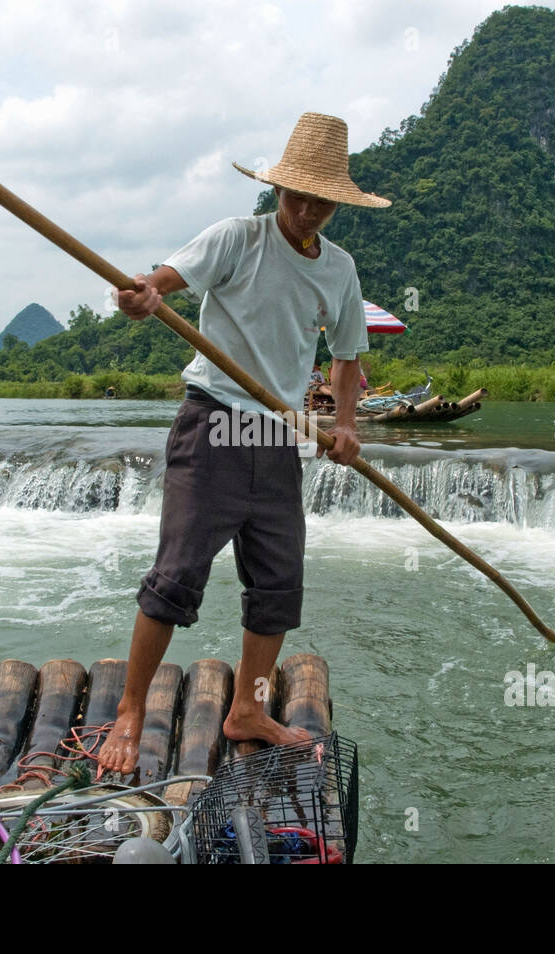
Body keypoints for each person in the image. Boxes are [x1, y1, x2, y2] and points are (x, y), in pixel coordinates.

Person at [95, 112, 390, 778]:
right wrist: (144, 296)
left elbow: (347, 356)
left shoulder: (340, 270)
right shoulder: (239, 239)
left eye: (323, 200)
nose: (308, 209)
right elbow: (164, 279)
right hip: (214, 426)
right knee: (175, 579)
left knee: (278, 583)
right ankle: (133, 709)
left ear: (338, 203)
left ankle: (248, 710)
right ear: (276, 189)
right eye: (297, 195)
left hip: (279, 437)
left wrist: (344, 426)